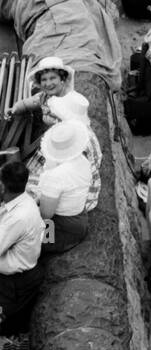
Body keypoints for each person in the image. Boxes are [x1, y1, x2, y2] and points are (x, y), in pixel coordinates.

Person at [35, 119, 95, 255]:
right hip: (79, 218)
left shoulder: (56, 175)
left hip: (63, 228)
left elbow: (46, 215)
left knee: (26, 240)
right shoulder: (83, 160)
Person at [0, 160, 45, 332]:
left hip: (13, 283)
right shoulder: (25, 200)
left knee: (7, 322)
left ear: (3, 186)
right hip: (24, 270)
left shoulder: (18, 218)